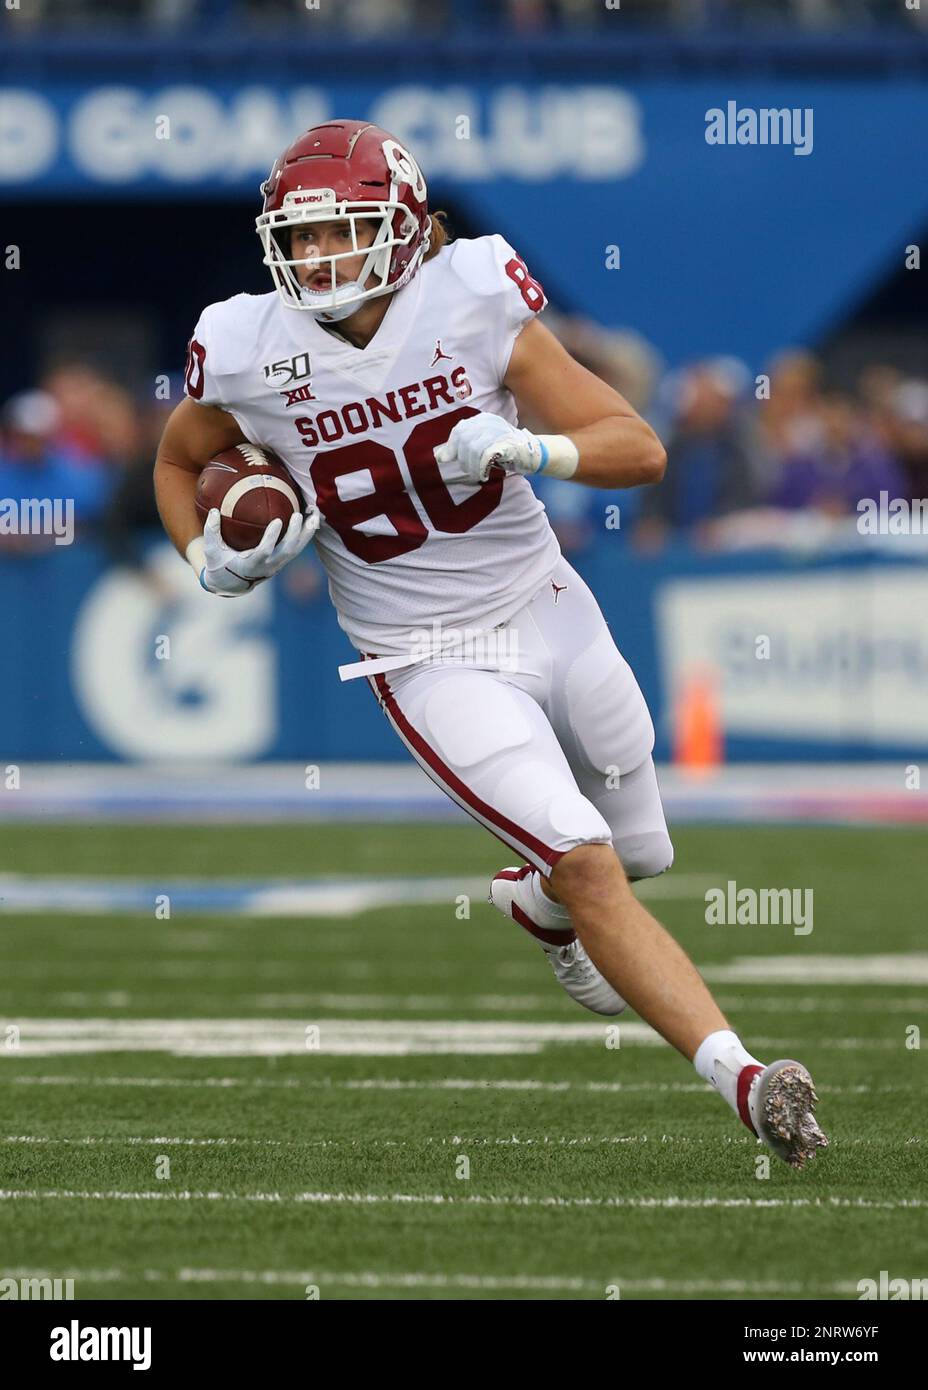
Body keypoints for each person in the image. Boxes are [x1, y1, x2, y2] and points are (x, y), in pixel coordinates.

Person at [153, 119, 827, 1169]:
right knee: (591, 863)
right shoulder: (244, 346)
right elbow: (174, 460)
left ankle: (541, 911)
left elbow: (638, 446)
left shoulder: (468, 296)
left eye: (343, 231)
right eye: (304, 237)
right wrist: (209, 556)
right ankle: (742, 1076)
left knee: (639, 853)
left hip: (546, 602)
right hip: (422, 653)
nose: (320, 257)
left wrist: (531, 445)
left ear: (404, 227)